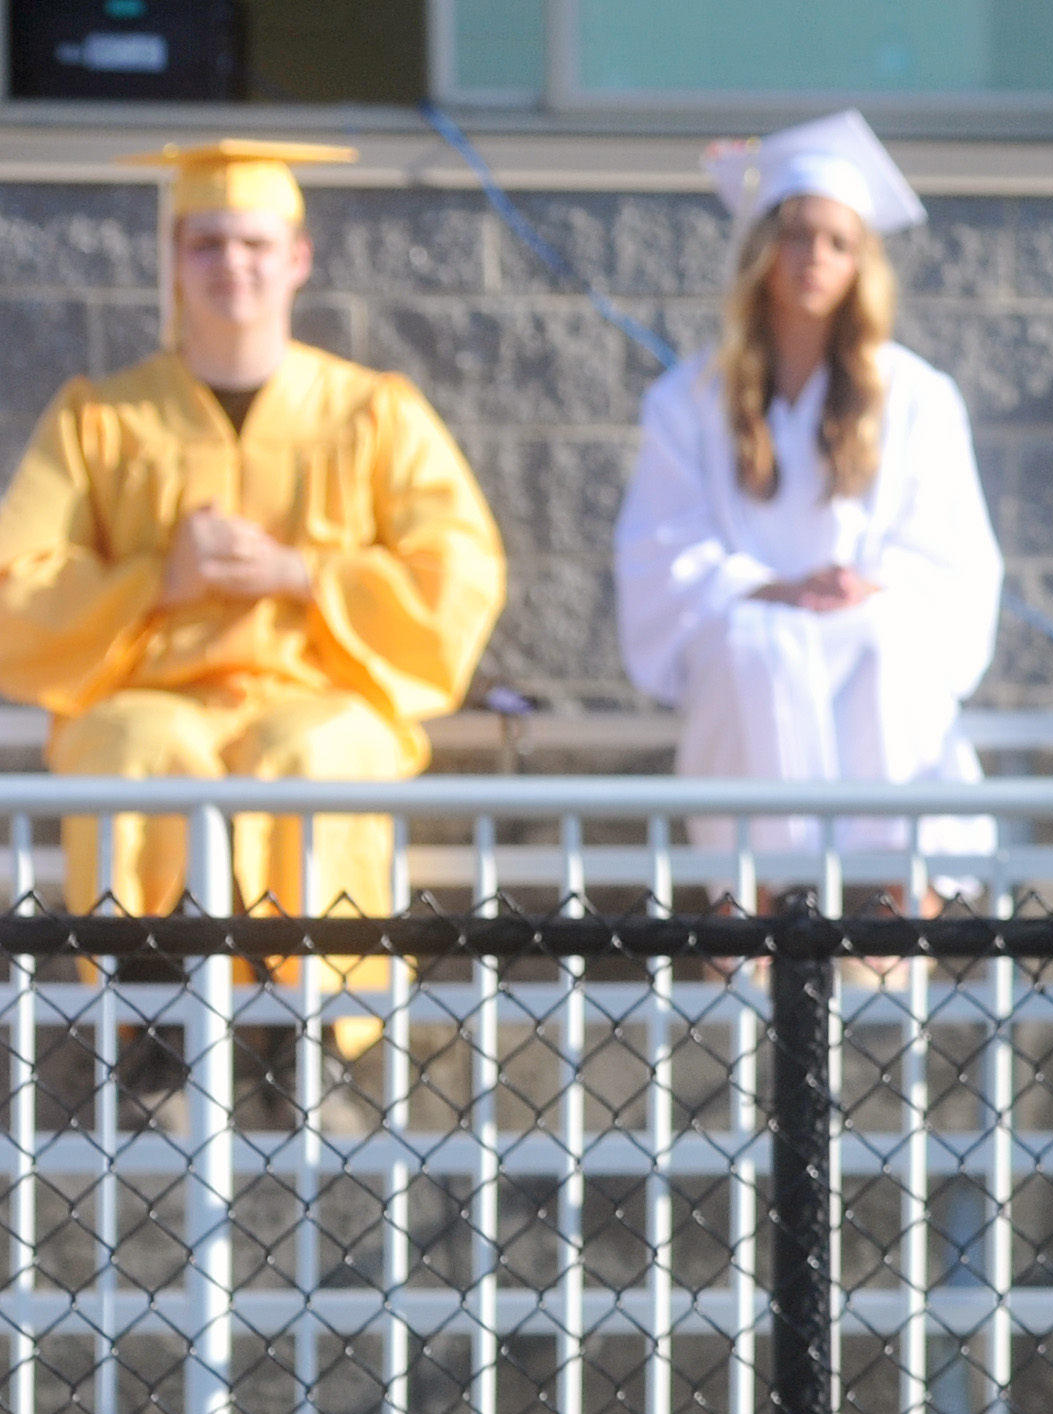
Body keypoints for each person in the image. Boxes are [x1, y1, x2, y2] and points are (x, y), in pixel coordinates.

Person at [0, 139, 504, 987]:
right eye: (206, 243)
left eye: (256, 243)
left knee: (306, 754)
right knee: (136, 746)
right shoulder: (101, 418)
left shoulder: (374, 413)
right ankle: (147, 1035)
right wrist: (158, 582)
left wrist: (300, 574)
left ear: (297, 258)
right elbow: (16, 579)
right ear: (173, 261)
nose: (232, 263)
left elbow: (458, 571)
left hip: (318, 694)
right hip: (154, 694)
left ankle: (312, 1047)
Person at [613, 111, 1001, 866]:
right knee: (753, 651)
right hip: (746, 624)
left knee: (888, 649)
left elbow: (952, 558)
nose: (813, 258)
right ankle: (746, 929)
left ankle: (898, 927)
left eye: (837, 242)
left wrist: (861, 586)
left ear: (862, 263)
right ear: (763, 250)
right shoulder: (689, 398)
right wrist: (773, 590)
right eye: (796, 235)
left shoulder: (917, 397)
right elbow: (664, 550)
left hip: (872, 628)